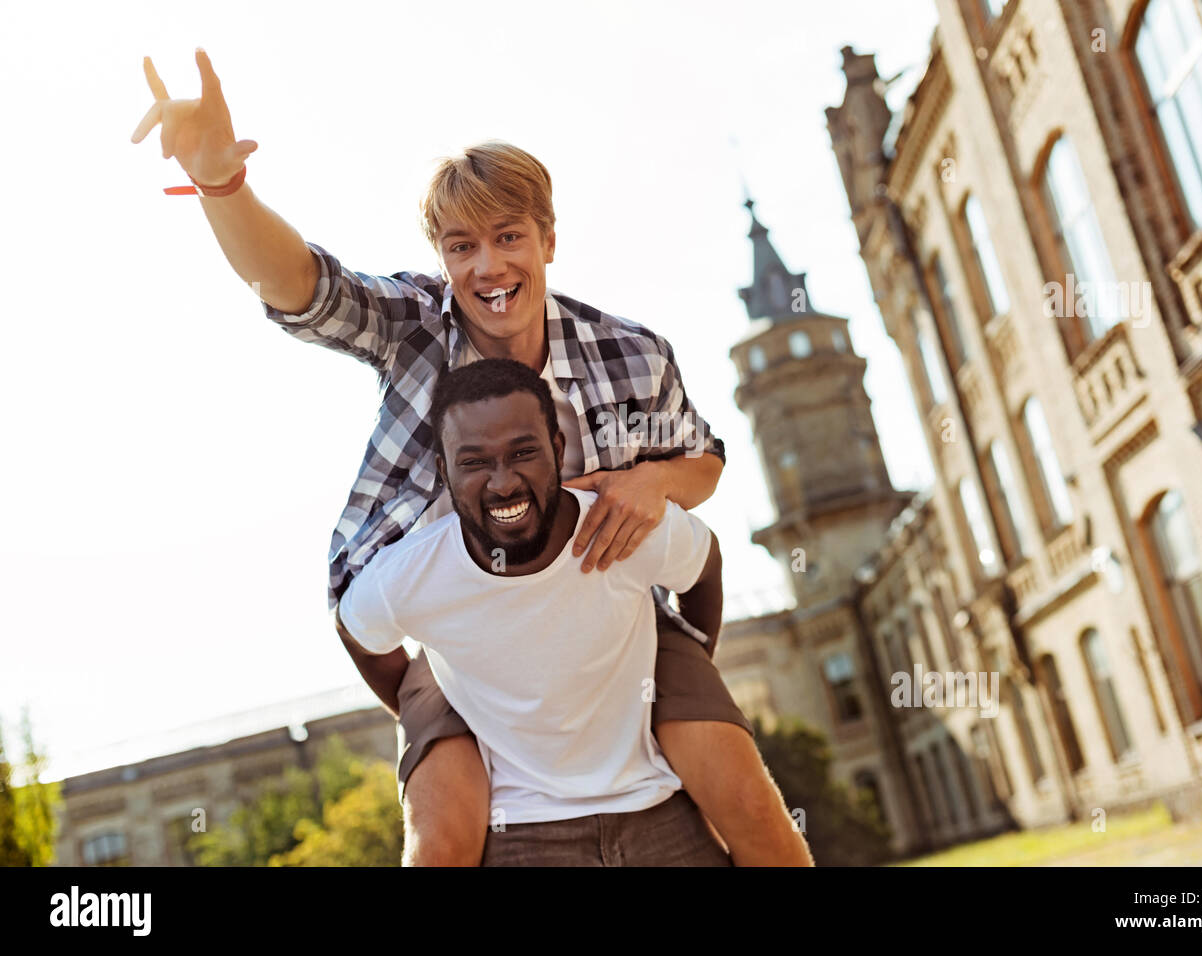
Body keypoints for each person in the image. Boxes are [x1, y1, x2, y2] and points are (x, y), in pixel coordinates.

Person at [131, 48, 813, 866]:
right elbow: (302, 287)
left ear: (548, 238)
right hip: (459, 629)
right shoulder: (416, 326)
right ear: (442, 257)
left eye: (507, 237)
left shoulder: (630, 353)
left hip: (606, 611)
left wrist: (654, 482)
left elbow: (703, 462)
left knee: (750, 802)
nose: (487, 268)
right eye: (461, 248)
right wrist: (220, 183)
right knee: (444, 837)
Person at [342, 358, 748, 865]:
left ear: (558, 449)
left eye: (523, 452)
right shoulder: (412, 575)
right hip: (522, 825)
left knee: (760, 818)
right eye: (473, 463)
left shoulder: (620, 524)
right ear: (443, 472)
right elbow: (357, 630)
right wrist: (421, 705)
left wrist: (689, 662)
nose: (502, 482)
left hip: (654, 803)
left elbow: (705, 566)